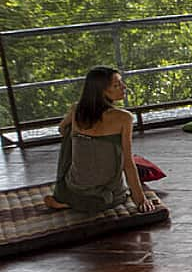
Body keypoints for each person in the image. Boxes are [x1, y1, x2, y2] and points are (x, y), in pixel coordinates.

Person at [44, 66, 155, 215]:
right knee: (124, 157)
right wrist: (140, 199)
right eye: (117, 85)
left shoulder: (76, 109)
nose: (124, 87)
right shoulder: (124, 118)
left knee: (71, 132)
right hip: (108, 191)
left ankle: (66, 198)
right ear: (102, 91)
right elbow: (127, 163)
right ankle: (86, 201)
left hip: (75, 186)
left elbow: (61, 129)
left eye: (121, 82)